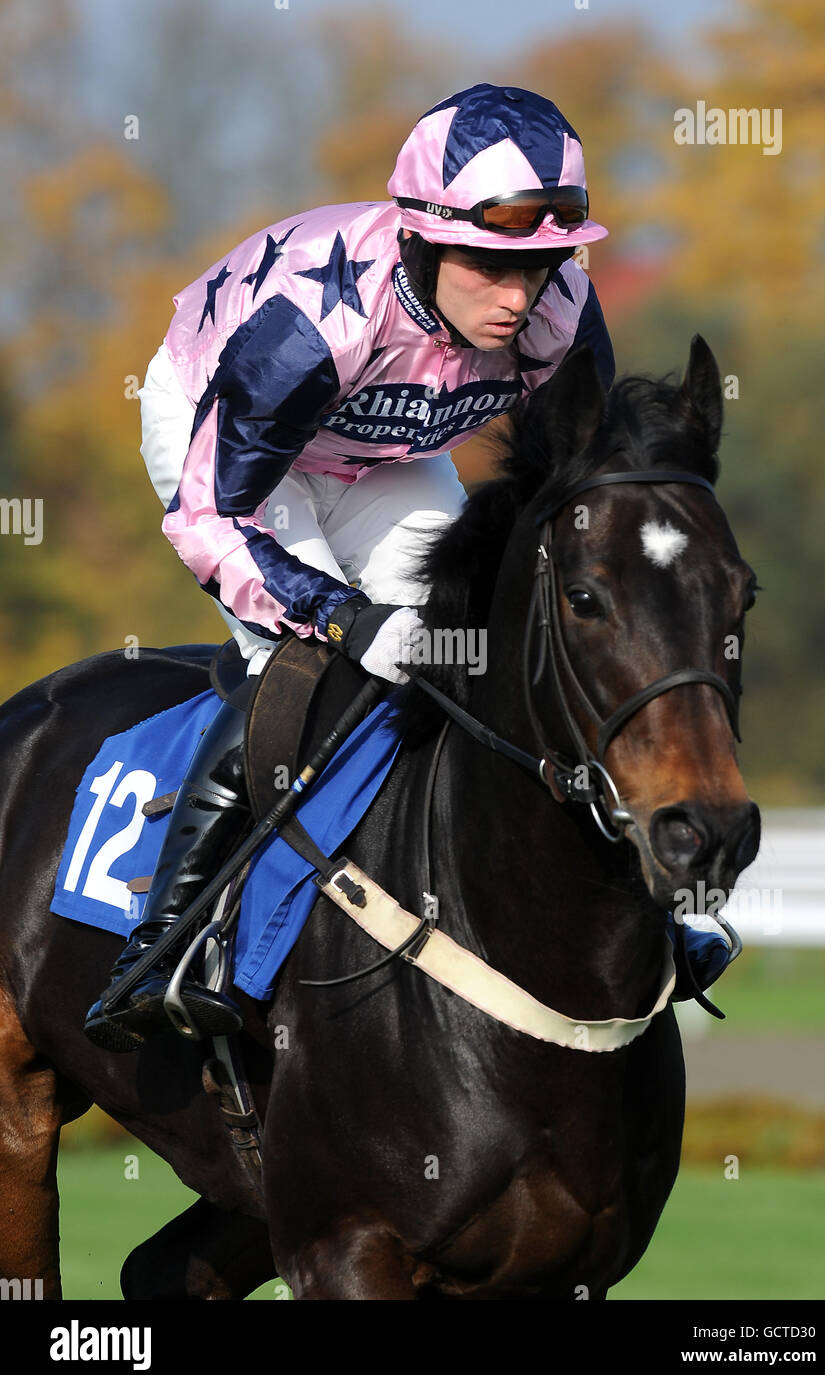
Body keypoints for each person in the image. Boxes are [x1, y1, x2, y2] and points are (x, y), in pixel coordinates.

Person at [84, 83, 725, 1052]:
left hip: (380, 455)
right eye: (490, 266)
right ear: (421, 238)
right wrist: (340, 616)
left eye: (544, 264)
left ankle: (635, 909)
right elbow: (215, 519)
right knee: (307, 662)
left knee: (465, 649)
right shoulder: (308, 328)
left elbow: (577, 485)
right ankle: (172, 936)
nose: (519, 298)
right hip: (237, 452)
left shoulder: (557, 308)